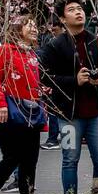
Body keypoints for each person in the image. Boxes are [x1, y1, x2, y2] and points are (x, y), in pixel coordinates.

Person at [39, 0, 98, 194]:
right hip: (68, 116)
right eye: (71, 10)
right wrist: (75, 81)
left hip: (97, 113)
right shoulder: (55, 46)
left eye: (80, 9)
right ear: (63, 19)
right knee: (70, 160)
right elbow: (44, 76)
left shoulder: (97, 41)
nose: (78, 12)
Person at [0, 16, 46, 194]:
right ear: (17, 29)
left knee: (31, 159)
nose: (34, 28)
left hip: (31, 114)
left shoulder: (33, 55)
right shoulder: (5, 50)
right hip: (10, 113)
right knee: (12, 157)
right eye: (29, 25)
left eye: (35, 25)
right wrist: (0, 103)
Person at [39, 16, 65, 150]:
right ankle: (55, 139)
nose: (53, 32)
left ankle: (55, 139)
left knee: (58, 112)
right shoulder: (52, 42)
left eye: (55, 30)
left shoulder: (66, 43)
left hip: (63, 85)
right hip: (56, 83)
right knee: (54, 111)